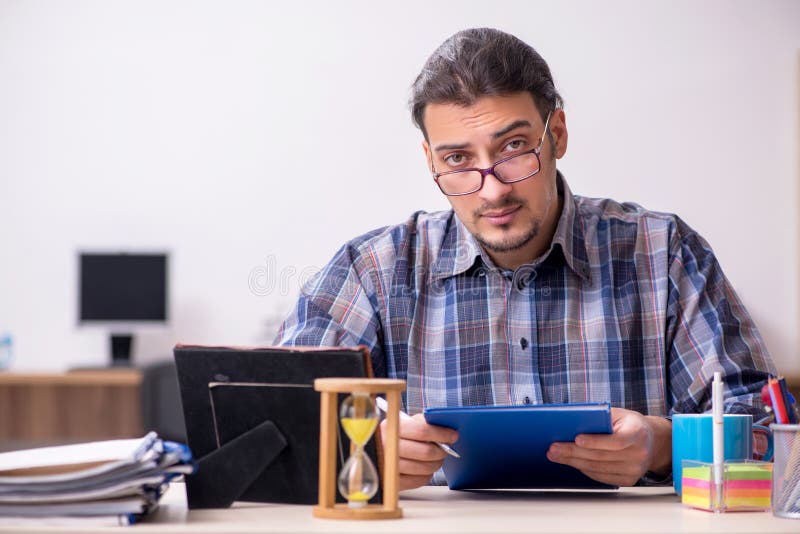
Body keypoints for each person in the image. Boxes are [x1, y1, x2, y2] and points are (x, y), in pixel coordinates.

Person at [274, 28, 776, 490]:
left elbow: (765, 431)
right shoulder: (373, 271)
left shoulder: (663, 253)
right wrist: (359, 452)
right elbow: (273, 426)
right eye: (457, 160)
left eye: (513, 147)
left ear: (556, 133)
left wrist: (661, 446)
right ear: (430, 160)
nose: (492, 190)